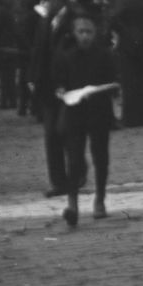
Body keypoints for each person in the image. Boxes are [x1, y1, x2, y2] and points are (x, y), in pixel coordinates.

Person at [53, 14, 120, 224]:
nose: (85, 36)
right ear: (74, 33)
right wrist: (62, 92)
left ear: (95, 33)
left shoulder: (104, 55)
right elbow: (59, 84)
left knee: (100, 157)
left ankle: (100, 199)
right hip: (75, 111)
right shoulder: (66, 57)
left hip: (98, 111)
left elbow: (115, 83)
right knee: (74, 159)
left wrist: (106, 89)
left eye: (89, 32)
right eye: (81, 32)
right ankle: (72, 203)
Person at [28, 0, 76, 196]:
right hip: (48, 87)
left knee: (69, 132)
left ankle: (76, 173)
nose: (45, 4)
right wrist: (33, 79)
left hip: (70, 86)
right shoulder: (45, 20)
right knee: (51, 135)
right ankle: (58, 181)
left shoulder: (75, 20)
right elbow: (38, 53)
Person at [107, 0, 143, 128]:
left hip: (126, 44)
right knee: (141, 80)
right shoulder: (142, 3)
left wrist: (120, 32)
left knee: (128, 81)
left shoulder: (122, 3)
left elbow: (112, 20)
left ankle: (130, 117)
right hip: (142, 43)